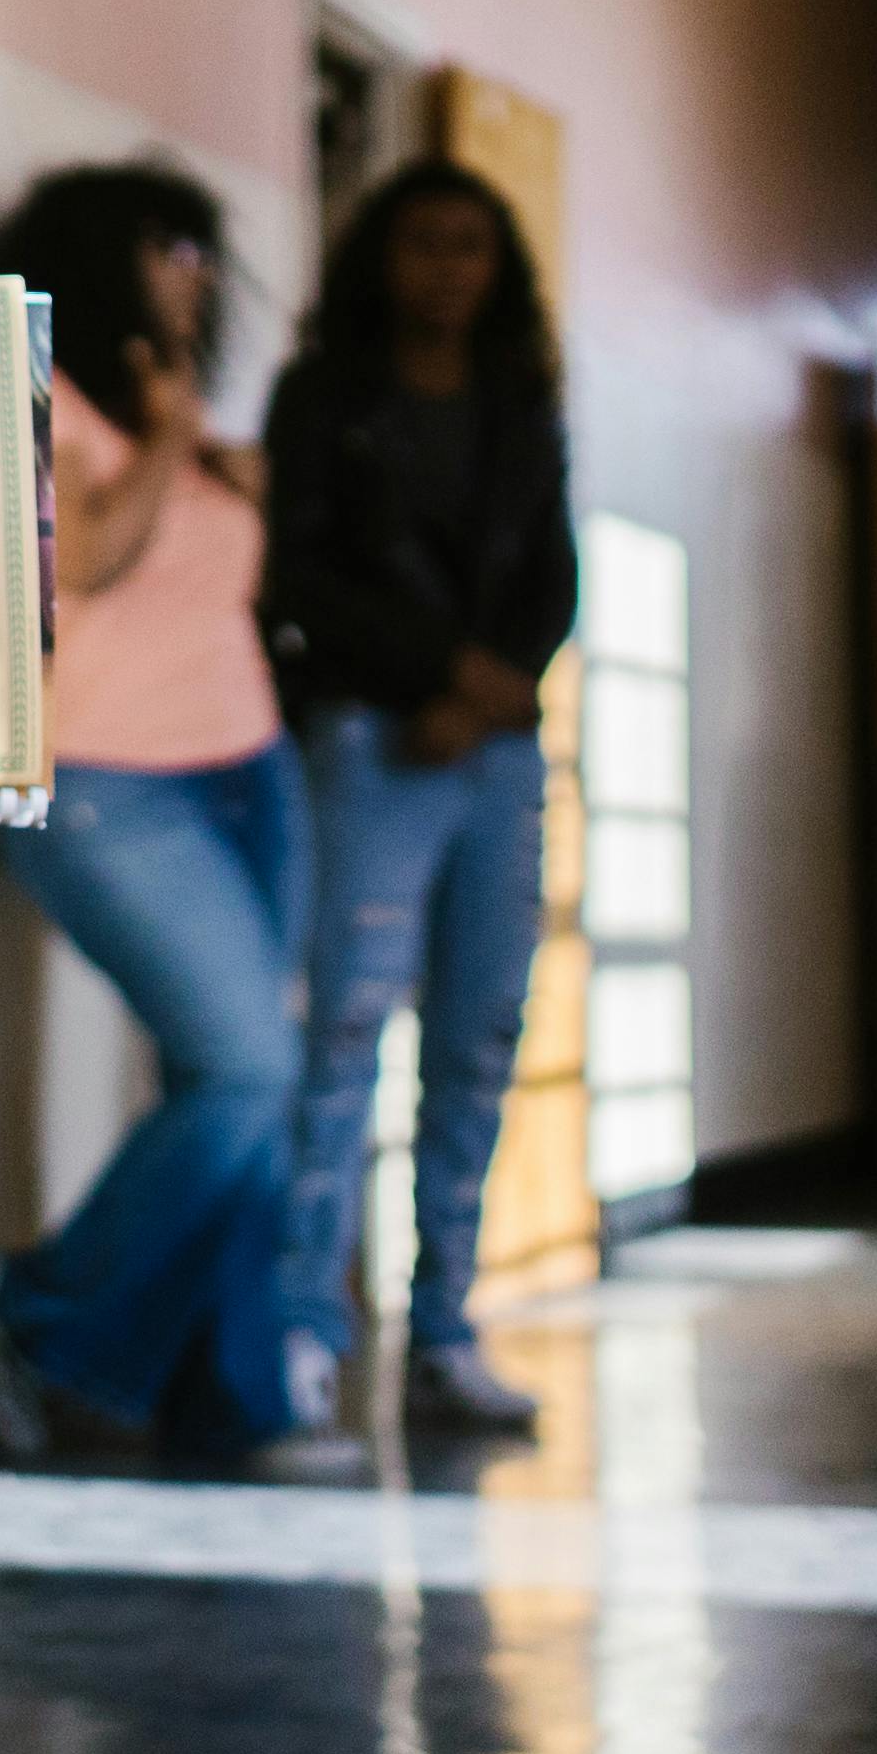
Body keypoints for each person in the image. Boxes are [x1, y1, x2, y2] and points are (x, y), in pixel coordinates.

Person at [0, 163, 322, 1462]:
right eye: (176, 246)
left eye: (204, 250)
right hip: (105, 779)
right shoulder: (35, 384)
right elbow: (82, 571)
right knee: (246, 1071)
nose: (200, 274)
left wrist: (233, 475)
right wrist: (172, 441)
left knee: (240, 1091)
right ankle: (48, 1316)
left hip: (248, 766)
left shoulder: (176, 414)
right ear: (109, 255)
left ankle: (229, 1398)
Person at [259, 160, 578, 1440]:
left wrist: (496, 689)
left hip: (497, 753)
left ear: (498, 266)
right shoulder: (322, 395)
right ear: (380, 258)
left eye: (470, 243)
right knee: (342, 1035)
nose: (447, 265)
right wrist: (439, 675)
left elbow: (553, 571)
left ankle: (446, 1332)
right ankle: (302, 1334)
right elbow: (295, 577)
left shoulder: (523, 397)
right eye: (423, 242)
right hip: (369, 741)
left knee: (481, 1043)